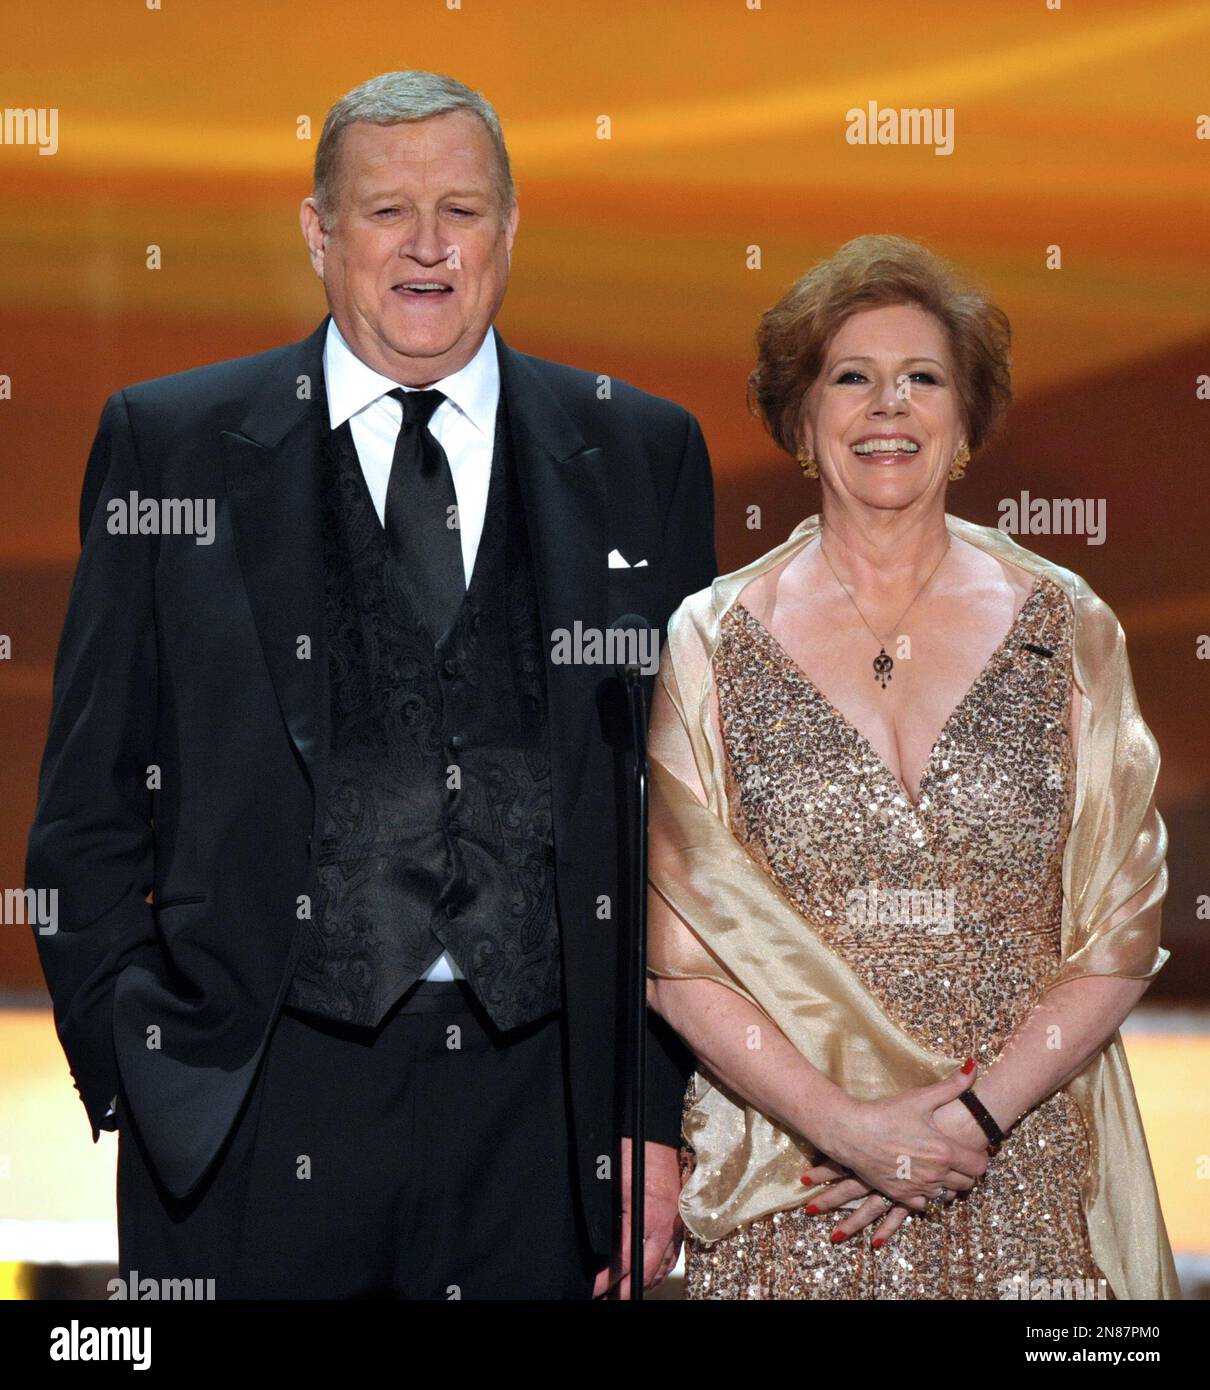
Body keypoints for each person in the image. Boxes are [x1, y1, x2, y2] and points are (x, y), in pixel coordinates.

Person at [25, 69, 716, 1299]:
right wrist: (144, 1071)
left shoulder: (639, 453)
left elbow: (685, 833)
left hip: (545, 1128)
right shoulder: (170, 443)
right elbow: (85, 810)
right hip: (250, 1108)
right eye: (388, 212)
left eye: (461, 209)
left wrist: (651, 1112)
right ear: (317, 232)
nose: (428, 246)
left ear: (510, 230)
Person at [645, 233, 1179, 1299]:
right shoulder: (708, 637)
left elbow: (1123, 928)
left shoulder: (1067, 625)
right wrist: (850, 1130)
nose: (887, 406)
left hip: (1020, 1168)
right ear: (802, 419)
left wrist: (966, 1123)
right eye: (853, 377)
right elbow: (680, 959)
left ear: (965, 419)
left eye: (921, 378)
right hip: (797, 1186)